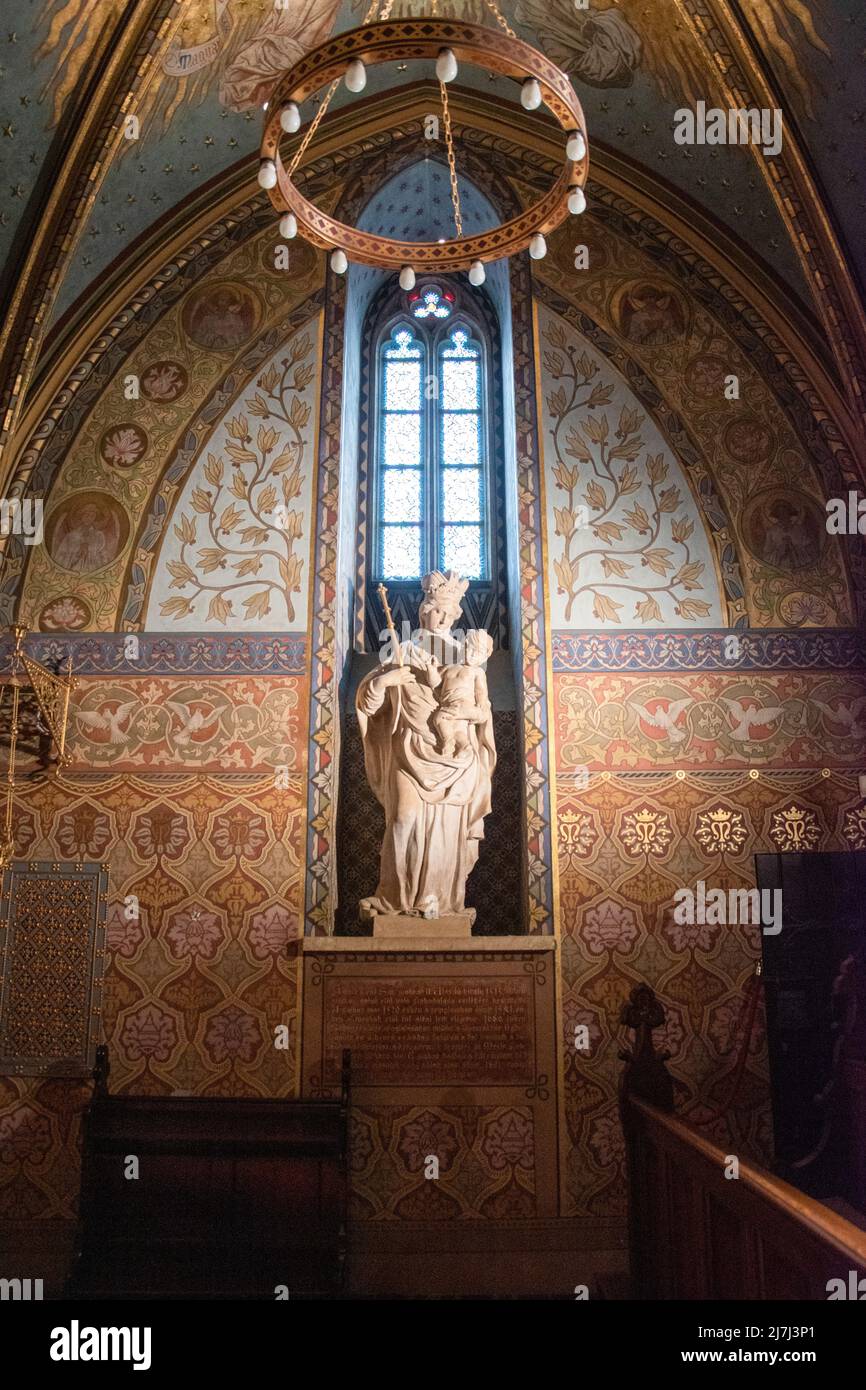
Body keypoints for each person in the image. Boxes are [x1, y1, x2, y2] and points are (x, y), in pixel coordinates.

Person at [355, 571, 496, 922]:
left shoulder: (468, 659)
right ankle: (394, 899)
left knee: (445, 834)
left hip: (455, 759)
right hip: (408, 750)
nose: (442, 618)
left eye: (449, 613)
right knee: (403, 820)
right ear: (422, 611)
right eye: (435, 610)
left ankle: (438, 901)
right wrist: (389, 678)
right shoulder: (402, 652)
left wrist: (463, 714)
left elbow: (483, 715)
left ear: (457, 617)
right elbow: (368, 707)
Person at [429, 629, 494, 758]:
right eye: (470, 648)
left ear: (484, 657)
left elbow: (480, 691)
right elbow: (435, 683)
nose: (472, 654)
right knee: (456, 728)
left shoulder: (477, 672)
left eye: (478, 653)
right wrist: (431, 670)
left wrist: (480, 703)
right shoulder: (449, 668)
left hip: (465, 705)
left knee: (439, 718)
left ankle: (448, 741)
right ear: (463, 647)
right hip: (449, 704)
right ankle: (464, 746)